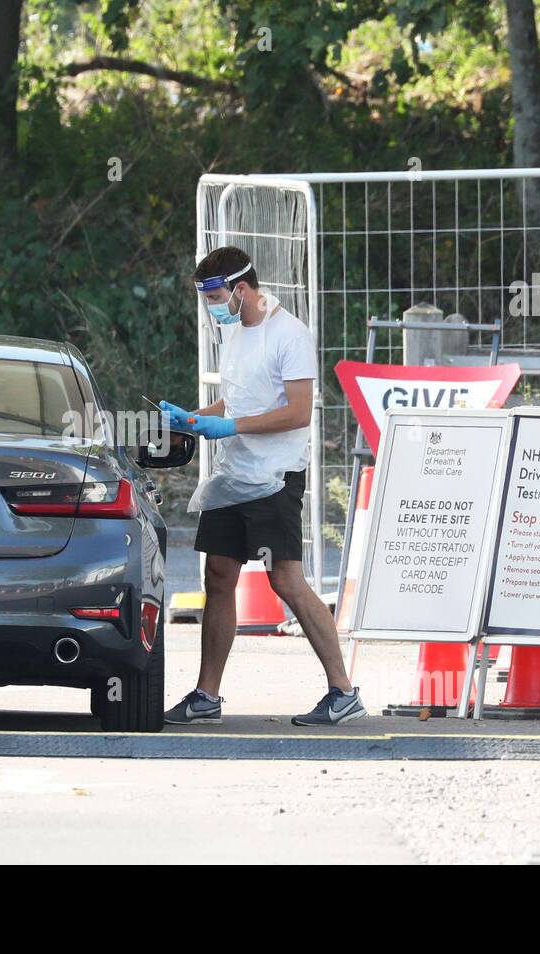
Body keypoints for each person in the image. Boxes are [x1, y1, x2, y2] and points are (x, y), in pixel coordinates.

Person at [159, 247, 365, 727]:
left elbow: (297, 411)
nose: (211, 304)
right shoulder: (235, 333)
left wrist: (230, 428)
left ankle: (343, 690)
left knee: (285, 580)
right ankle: (206, 696)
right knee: (218, 576)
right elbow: (236, 399)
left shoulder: (289, 334)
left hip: (275, 478)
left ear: (241, 289)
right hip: (236, 476)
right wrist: (191, 419)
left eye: (214, 294)